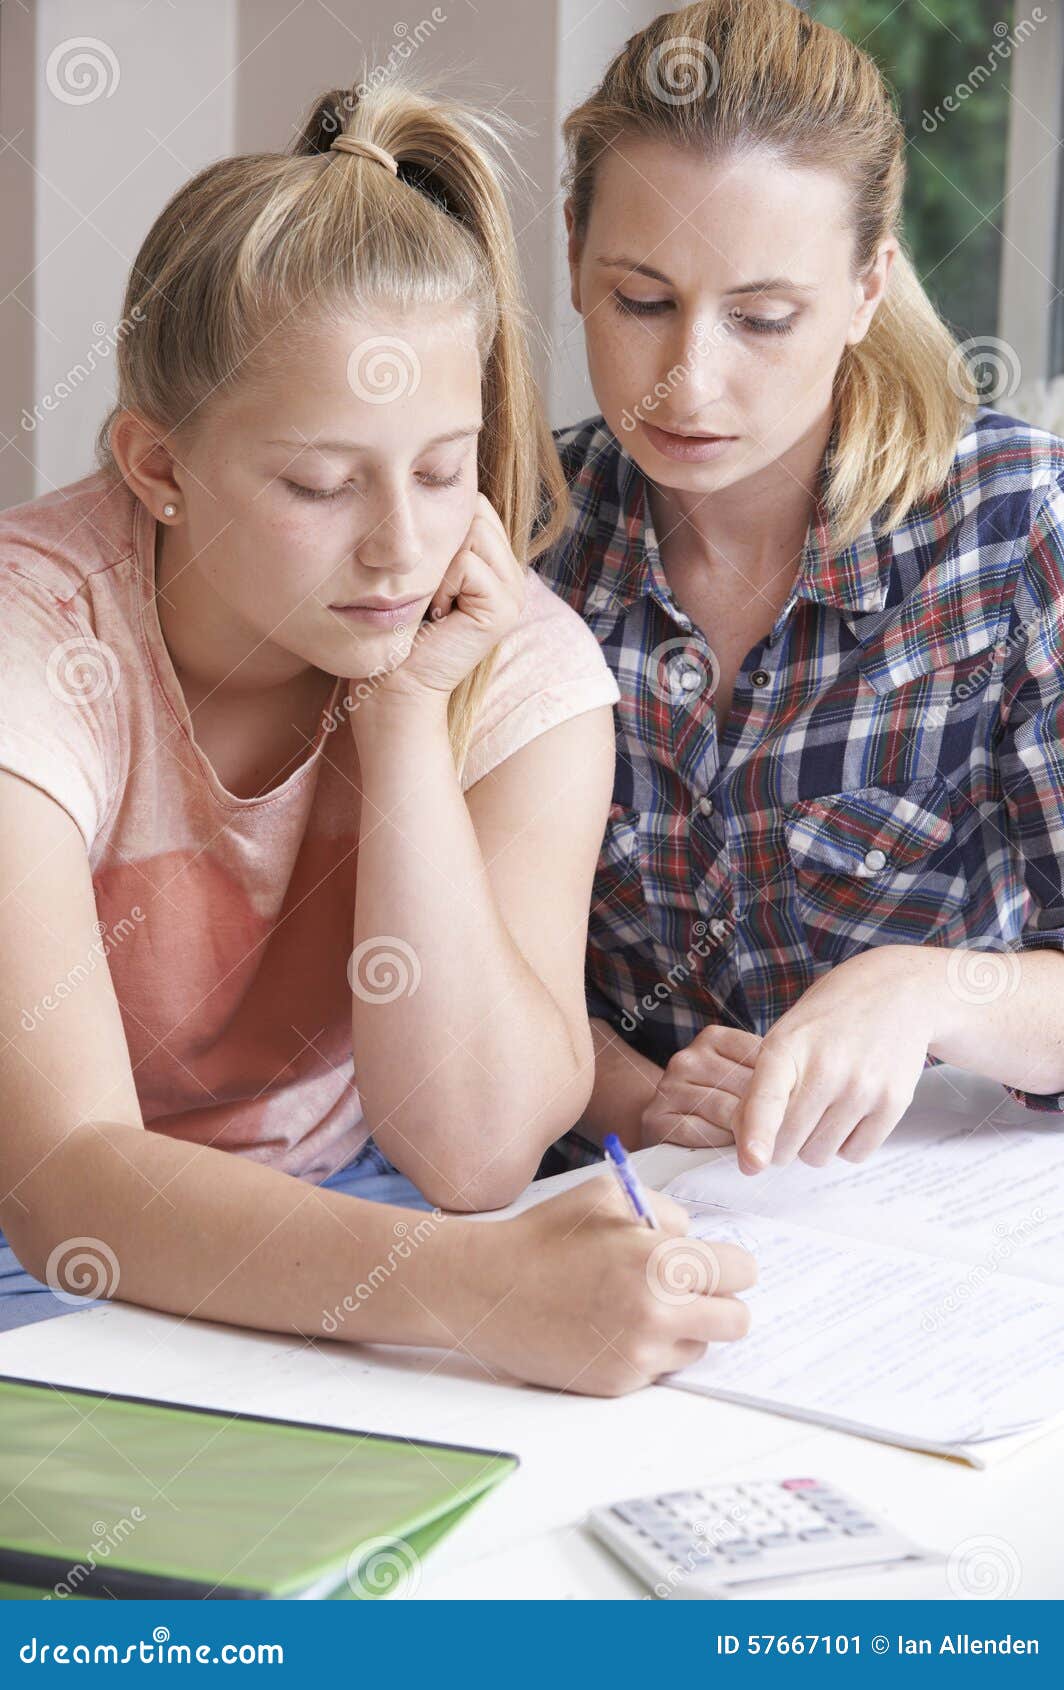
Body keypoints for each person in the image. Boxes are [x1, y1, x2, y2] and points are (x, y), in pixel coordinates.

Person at [0, 79, 754, 1393]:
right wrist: (482, 1294)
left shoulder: (513, 659)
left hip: (339, 1242)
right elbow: (64, 1178)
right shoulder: (38, 641)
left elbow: (476, 1153)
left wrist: (404, 717)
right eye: (318, 482)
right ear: (158, 467)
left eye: (442, 467)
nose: (402, 550)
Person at [537, 0, 1064, 1176]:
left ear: (869, 288)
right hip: (607, 1204)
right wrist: (638, 1095)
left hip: (928, 1214)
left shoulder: (1018, 527)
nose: (689, 381)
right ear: (574, 249)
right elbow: (444, 960)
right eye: (641, 300)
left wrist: (924, 991)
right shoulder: (522, 538)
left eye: (764, 317)